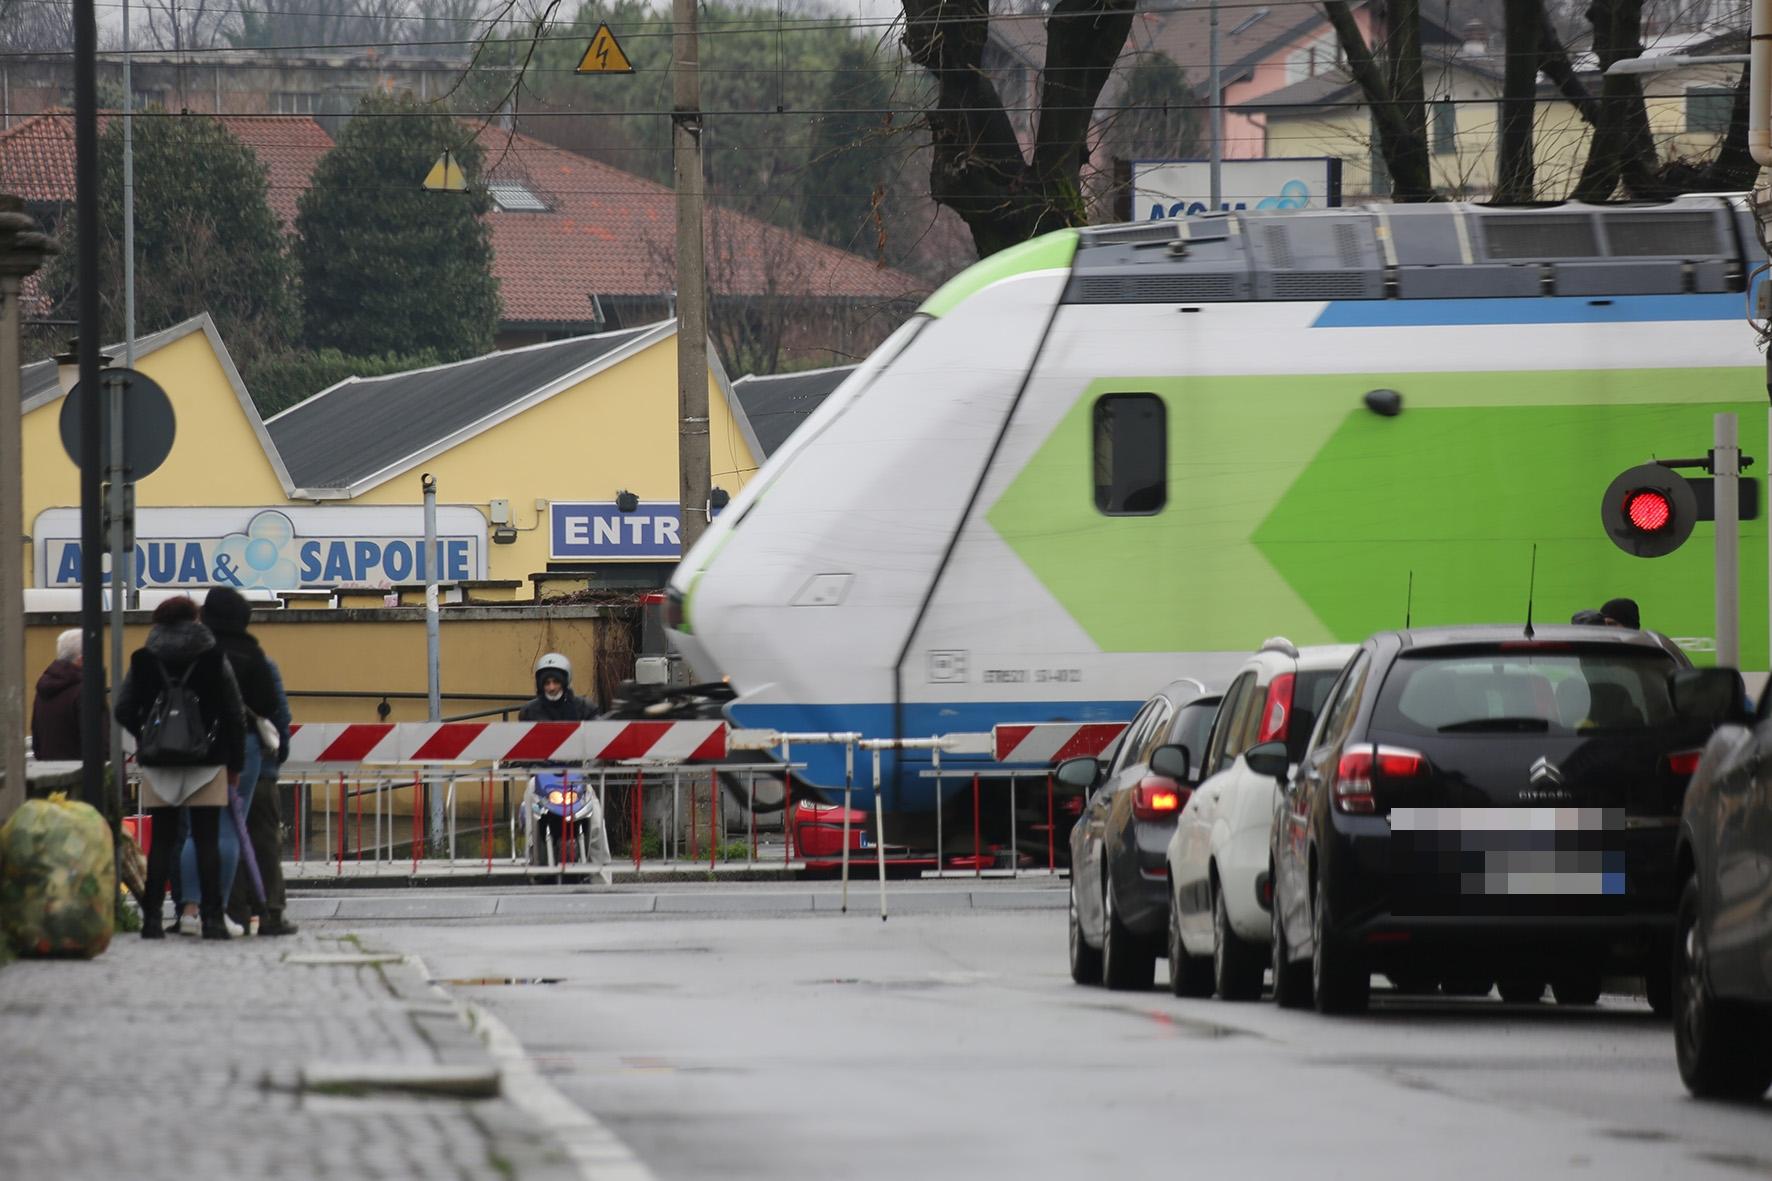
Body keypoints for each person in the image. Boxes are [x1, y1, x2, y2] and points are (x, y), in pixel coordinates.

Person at [114, 596, 245, 941]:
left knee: (162, 841)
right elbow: (234, 712)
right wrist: (235, 762)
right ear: (195, 619)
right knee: (206, 841)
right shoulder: (214, 658)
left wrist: (146, 736)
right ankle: (213, 920)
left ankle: (152, 920)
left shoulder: (143, 660)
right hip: (207, 762)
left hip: (160, 763)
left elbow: (123, 709)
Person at [169, 587, 280, 937]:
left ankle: (189, 911)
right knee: (230, 828)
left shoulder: (190, 651)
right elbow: (268, 705)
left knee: (195, 829)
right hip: (240, 747)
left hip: (195, 746)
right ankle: (217, 913)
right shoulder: (251, 654)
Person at [227, 655, 297, 936]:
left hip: (215, 768)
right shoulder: (261, 664)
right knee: (265, 839)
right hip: (261, 767)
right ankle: (271, 912)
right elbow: (280, 714)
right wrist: (279, 753)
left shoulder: (203, 661)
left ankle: (234, 911)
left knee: (224, 836)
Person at [29, 628, 83, 760]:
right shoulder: (86, 692)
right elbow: (101, 745)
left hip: (48, 769)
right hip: (83, 770)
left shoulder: (43, 690)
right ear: (81, 660)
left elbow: (37, 742)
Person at [519, 652, 601, 721]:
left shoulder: (585, 708)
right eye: (547, 683)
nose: (552, 688)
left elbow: (598, 731)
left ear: (565, 683)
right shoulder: (529, 711)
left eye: (556, 682)